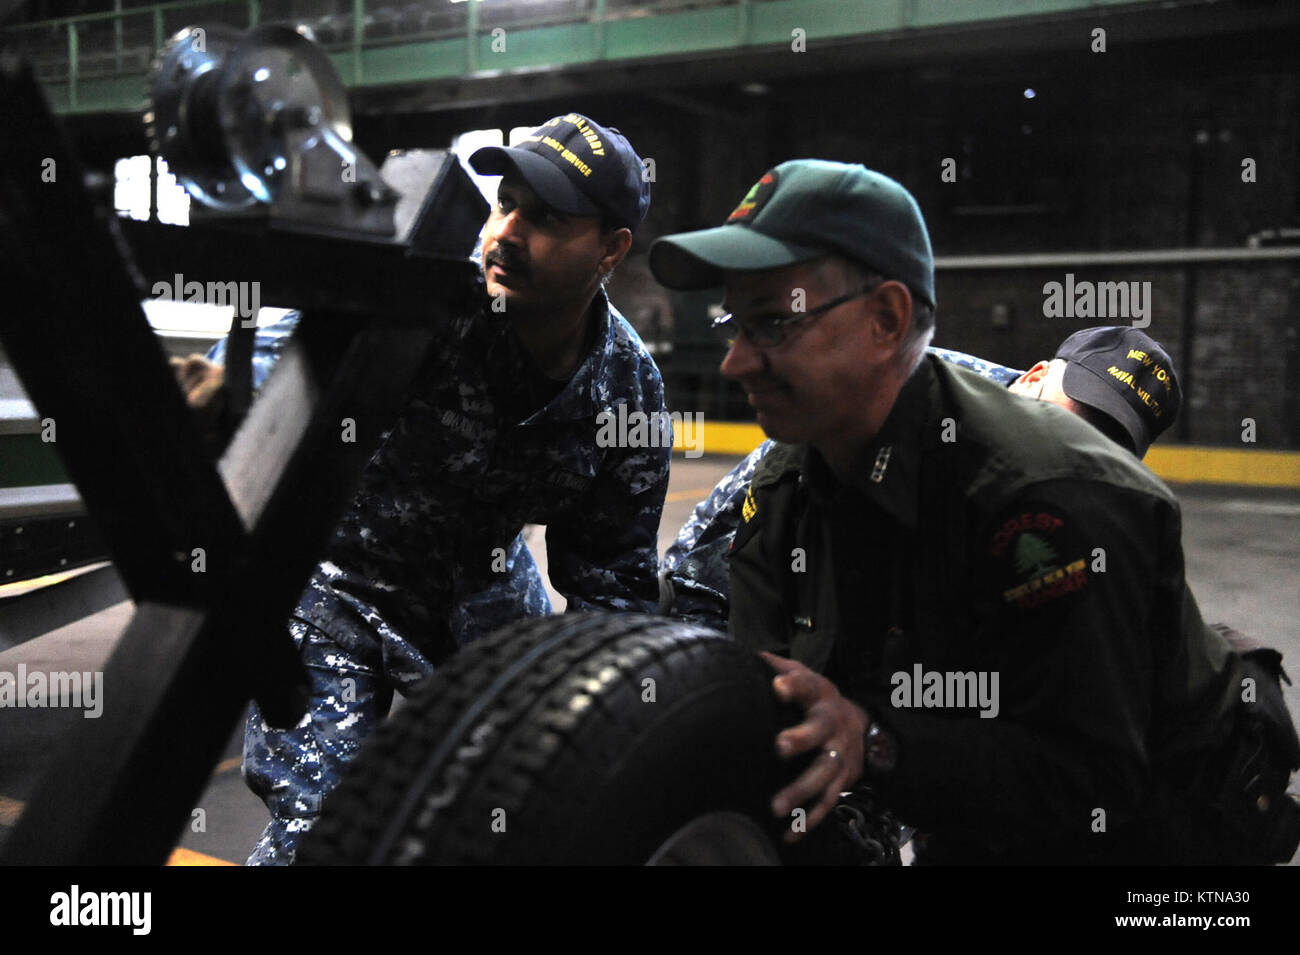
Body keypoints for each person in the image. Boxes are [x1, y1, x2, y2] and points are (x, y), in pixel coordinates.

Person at [648, 158, 1296, 864]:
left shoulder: (1055, 497)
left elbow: (1089, 786)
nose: (733, 364)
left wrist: (872, 739)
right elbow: (780, 709)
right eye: (736, 325)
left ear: (887, 320)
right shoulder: (788, 478)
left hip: (1169, 826)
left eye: (773, 324)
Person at [211, 113, 669, 864]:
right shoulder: (428, 306)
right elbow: (277, 356)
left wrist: (605, 724)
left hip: (481, 590)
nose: (506, 233)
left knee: (532, 809)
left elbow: (610, 584)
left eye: (546, 217)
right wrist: (214, 389)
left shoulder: (627, 390)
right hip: (338, 580)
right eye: (505, 203)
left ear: (611, 250)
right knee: (322, 832)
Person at [659, 326, 1179, 630]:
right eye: (1077, 412)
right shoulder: (908, 393)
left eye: (1104, 440)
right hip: (728, 596)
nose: (1078, 439)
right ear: (1036, 377)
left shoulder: (1079, 495)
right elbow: (749, 508)